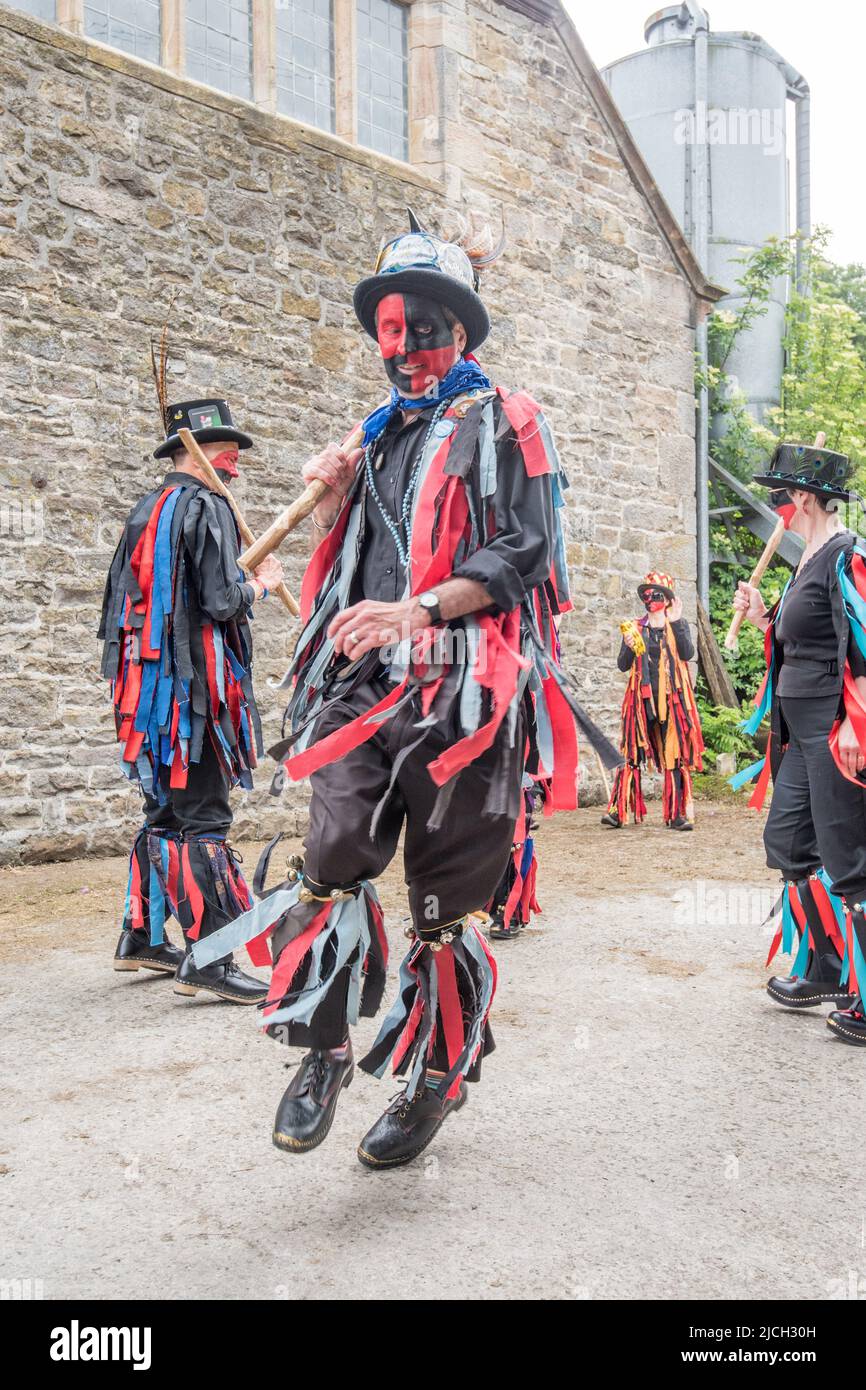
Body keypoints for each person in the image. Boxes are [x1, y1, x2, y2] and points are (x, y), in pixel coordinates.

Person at [192, 209, 619, 1166]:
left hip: (463, 692)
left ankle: (435, 1073)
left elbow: (527, 552)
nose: (404, 346)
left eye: (422, 327)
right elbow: (351, 562)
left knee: (444, 900)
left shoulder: (506, 420)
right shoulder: (378, 434)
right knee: (332, 852)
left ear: (459, 331)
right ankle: (326, 1045)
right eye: (388, 330)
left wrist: (422, 612)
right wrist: (334, 494)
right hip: (362, 685)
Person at [99, 389, 283, 1002]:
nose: (237, 458)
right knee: (205, 817)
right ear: (205, 453)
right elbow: (221, 602)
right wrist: (260, 585)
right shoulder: (208, 507)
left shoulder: (146, 508)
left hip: (149, 698)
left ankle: (144, 936)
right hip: (194, 699)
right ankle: (209, 957)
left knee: (166, 813)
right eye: (230, 446)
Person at [731, 441, 866, 1040]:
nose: (777, 505)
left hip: (835, 729)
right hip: (795, 731)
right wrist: (763, 616)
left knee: (850, 862)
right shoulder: (806, 556)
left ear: (804, 498)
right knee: (789, 845)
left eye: (781, 495)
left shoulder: (847, 556)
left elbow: (863, 648)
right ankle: (827, 968)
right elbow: (797, 643)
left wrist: (859, 727)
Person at [601, 571, 703, 830]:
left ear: (668, 600)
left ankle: (676, 814)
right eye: (646, 595)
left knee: (674, 754)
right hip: (641, 701)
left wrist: (678, 622)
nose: (650, 599)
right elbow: (623, 665)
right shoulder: (636, 628)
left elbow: (688, 653)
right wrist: (626, 644)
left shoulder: (678, 624)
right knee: (631, 752)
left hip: (672, 701)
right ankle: (617, 810)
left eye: (656, 595)